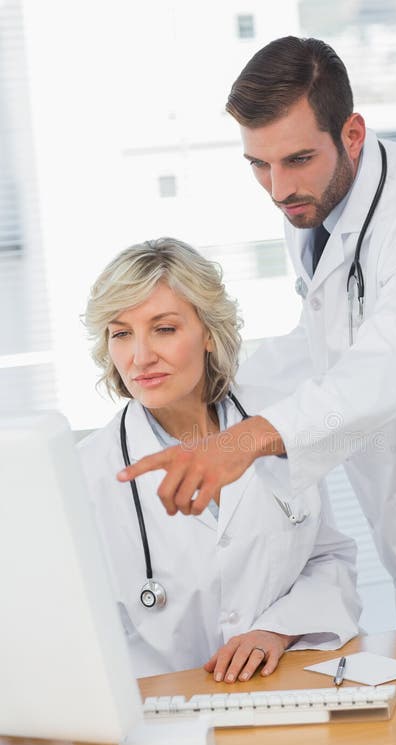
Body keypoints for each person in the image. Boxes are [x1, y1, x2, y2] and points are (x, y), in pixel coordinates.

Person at [119, 38, 396, 627]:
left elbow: (391, 362)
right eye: (259, 165)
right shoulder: (315, 206)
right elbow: (326, 340)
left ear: (352, 134)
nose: (279, 189)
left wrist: (248, 438)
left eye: (297, 160)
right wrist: (201, 387)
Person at [78, 237, 360, 679]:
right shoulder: (86, 473)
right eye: (121, 334)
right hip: (162, 714)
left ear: (208, 333)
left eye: (164, 329)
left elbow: (328, 560)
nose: (140, 357)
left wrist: (276, 631)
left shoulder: (275, 425)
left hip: (283, 690)